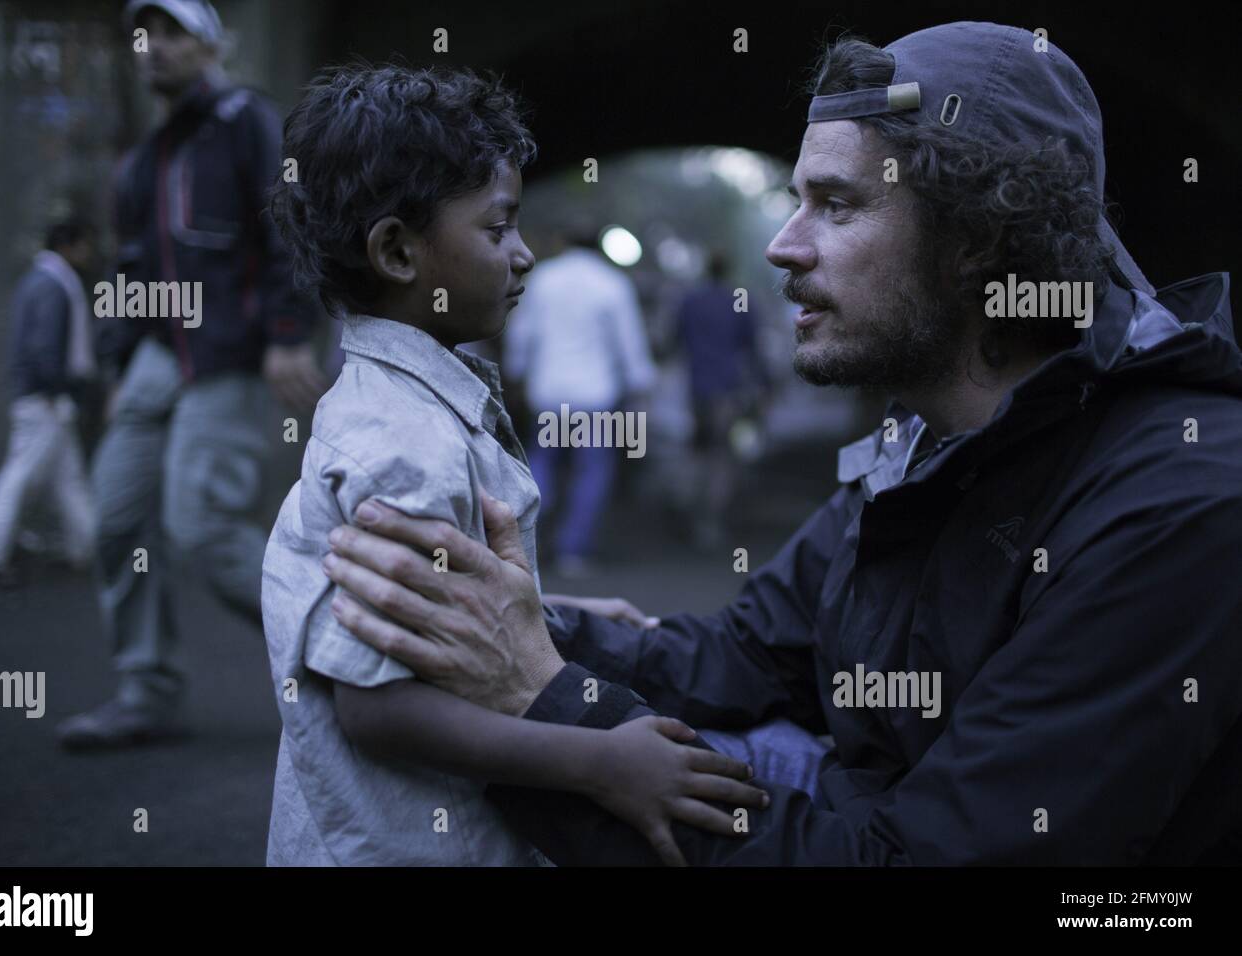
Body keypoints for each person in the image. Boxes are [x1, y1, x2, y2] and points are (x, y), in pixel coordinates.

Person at [319, 22, 1242, 865]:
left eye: (836, 205)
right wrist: (532, 624)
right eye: (796, 201)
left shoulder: (1178, 506)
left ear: (977, 236)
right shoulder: (929, 433)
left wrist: (543, 705)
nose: (782, 247)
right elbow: (751, 657)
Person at [260, 63, 766, 865]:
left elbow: (433, 597)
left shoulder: (386, 402)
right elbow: (377, 707)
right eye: (498, 230)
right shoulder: (406, 446)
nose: (524, 254)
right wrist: (604, 762)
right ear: (397, 252)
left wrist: (548, 605)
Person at [57, 0, 327, 750]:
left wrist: (285, 332)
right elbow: (134, 268)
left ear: (209, 44)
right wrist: (117, 364)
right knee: (116, 518)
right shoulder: (144, 157)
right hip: (153, 359)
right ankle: (147, 691)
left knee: (202, 525)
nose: (154, 48)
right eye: (144, 34)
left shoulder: (245, 120)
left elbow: (289, 222)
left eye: (173, 31)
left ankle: (344, 669)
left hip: (230, 350)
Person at [503, 225, 656, 577]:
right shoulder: (613, 283)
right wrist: (640, 384)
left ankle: (526, 545)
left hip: (550, 392)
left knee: (542, 466)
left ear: (564, 241)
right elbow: (629, 343)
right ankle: (573, 549)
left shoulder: (544, 279)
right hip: (594, 396)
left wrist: (516, 372)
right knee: (592, 472)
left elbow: (522, 332)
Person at [0, 217, 99, 584]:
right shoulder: (53, 285)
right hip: (45, 399)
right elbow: (44, 347)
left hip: (42, 396)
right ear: (68, 245)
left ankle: (88, 547)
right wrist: (57, 391)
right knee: (18, 477)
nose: (89, 252)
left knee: (68, 478)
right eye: (84, 244)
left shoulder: (39, 280)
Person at [673, 250, 770, 549]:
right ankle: (711, 520)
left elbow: (675, 339)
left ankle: (689, 507)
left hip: (696, 386)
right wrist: (764, 383)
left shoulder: (691, 300)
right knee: (722, 455)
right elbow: (753, 345)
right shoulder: (739, 299)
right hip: (727, 387)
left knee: (697, 449)